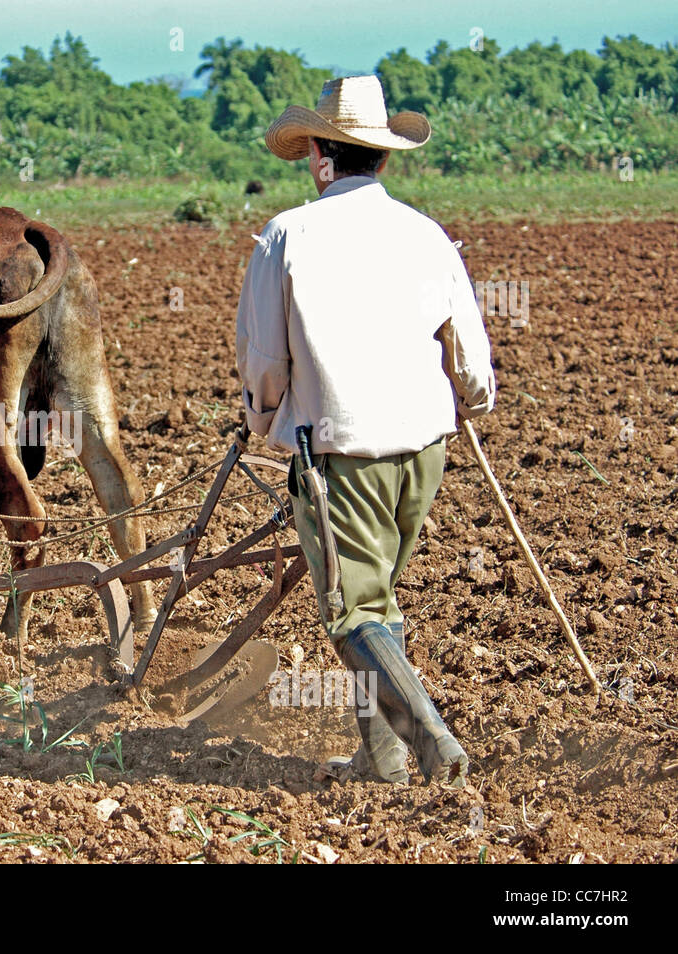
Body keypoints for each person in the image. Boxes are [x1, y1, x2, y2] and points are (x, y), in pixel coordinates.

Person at [236, 75, 496, 787]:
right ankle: (380, 759)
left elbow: (264, 360)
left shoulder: (286, 234)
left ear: (321, 153)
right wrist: (472, 401)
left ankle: (429, 740)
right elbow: (469, 354)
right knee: (376, 598)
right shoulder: (427, 235)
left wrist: (262, 420)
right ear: (381, 157)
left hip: (340, 453)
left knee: (352, 615)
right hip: (425, 450)